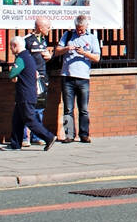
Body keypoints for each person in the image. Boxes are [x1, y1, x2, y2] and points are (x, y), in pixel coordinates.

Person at [51, 13, 100, 143]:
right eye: (78, 29)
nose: (79, 31)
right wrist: (67, 48)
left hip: (83, 77)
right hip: (67, 77)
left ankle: (84, 134)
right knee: (68, 108)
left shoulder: (92, 38)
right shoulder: (68, 35)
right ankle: (69, 135)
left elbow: (97, 57)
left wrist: (84, 53)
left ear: (86, 26)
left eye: (82, 29)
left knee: (83, 108)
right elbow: (57, 51)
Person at [6, 35, 55, 152]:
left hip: (25, 94)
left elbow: (12, 74)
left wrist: (12, 72)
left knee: (29, 119)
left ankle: (48, 137)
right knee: (17, 120)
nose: (10, 50)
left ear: (15, 46)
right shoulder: (29, 56)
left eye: (11, 47)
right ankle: (15, 143)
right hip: (27, 94)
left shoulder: (21, 58)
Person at [23, 16, 52, 145]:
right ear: (40, 27)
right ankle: (24, 137)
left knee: (39, 108)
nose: (50, 29)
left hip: (41, 77)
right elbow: (21, 57)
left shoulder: (44, 40)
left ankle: (36, 136)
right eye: (48, 27)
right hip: (30, 79)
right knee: (27, 107)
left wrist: (48, 57)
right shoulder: (27, 40)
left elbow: (43, 57)